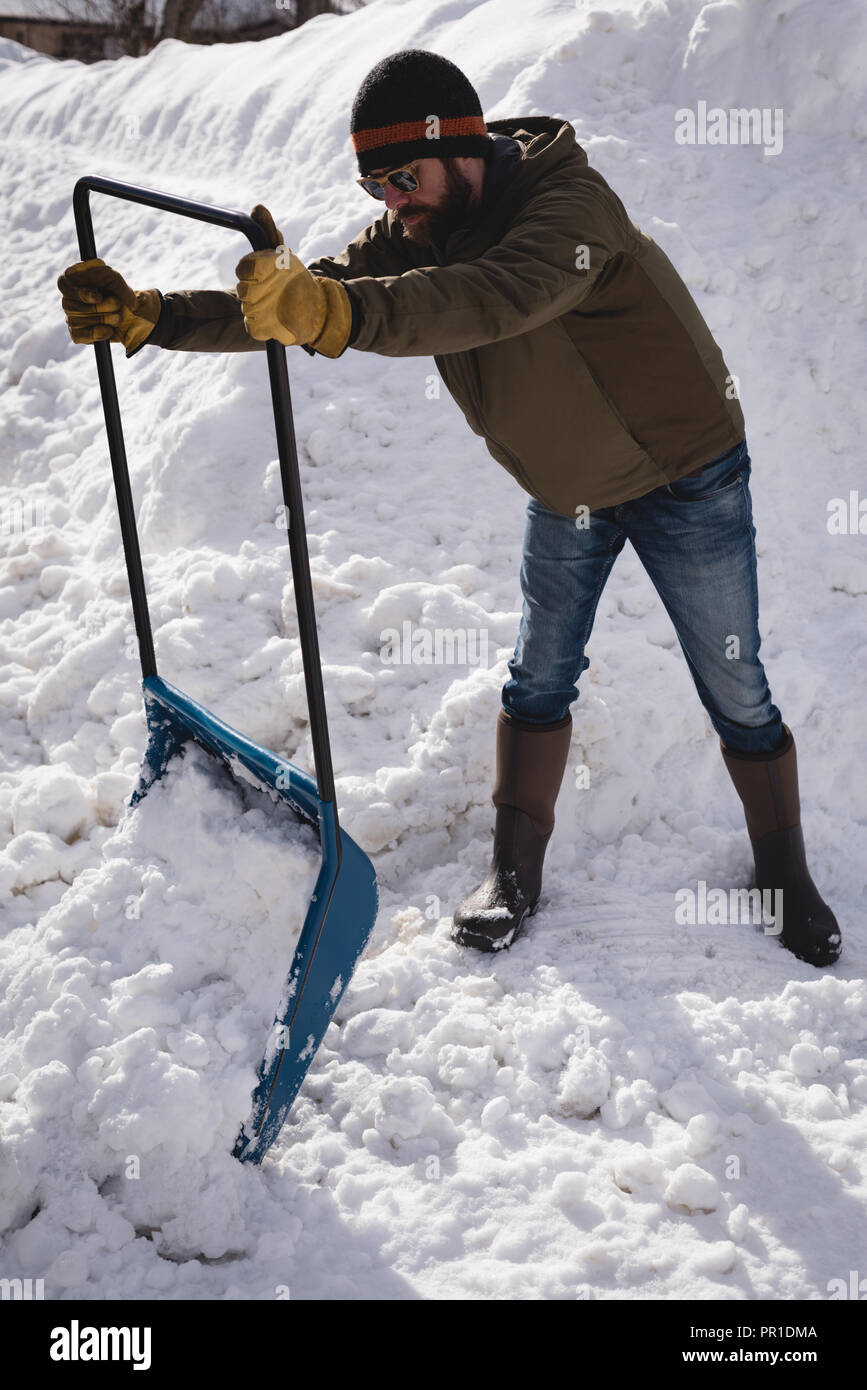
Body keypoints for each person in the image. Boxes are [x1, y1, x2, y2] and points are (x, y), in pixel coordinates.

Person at [58, 49, 841, 968]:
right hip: (569, 491)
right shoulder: (420, 226)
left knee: (736, 686)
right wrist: (160, 317)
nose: (390, 200)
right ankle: (513, 874)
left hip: (686, 475)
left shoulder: (568, 209)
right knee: (537, 679)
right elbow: (315, 298)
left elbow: (492, 297)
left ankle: (782, 871)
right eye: (373, 183)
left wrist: (329, 317)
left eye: (402, 176)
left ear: (461, 148)